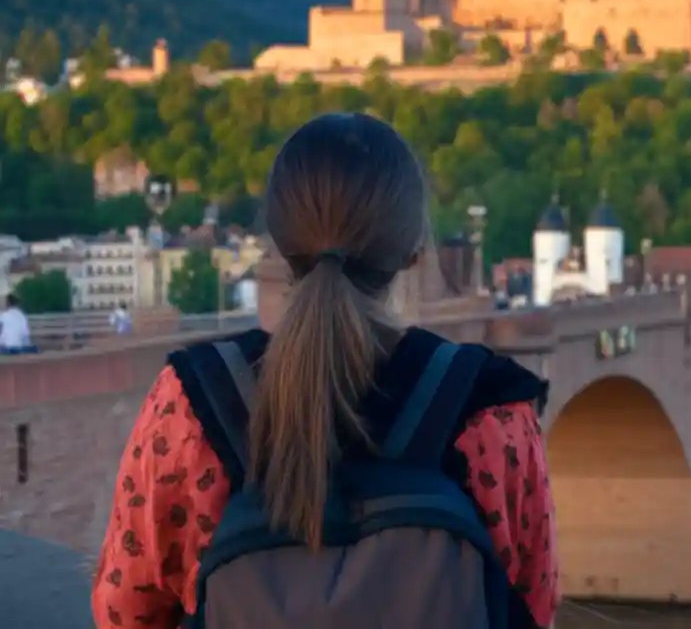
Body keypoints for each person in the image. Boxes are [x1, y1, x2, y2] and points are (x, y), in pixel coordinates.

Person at [91, 113, 559, 628]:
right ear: (413, 252)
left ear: (276, 245)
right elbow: (532, 608)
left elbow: (124, 610)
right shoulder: (491, 414)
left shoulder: (193, 406)